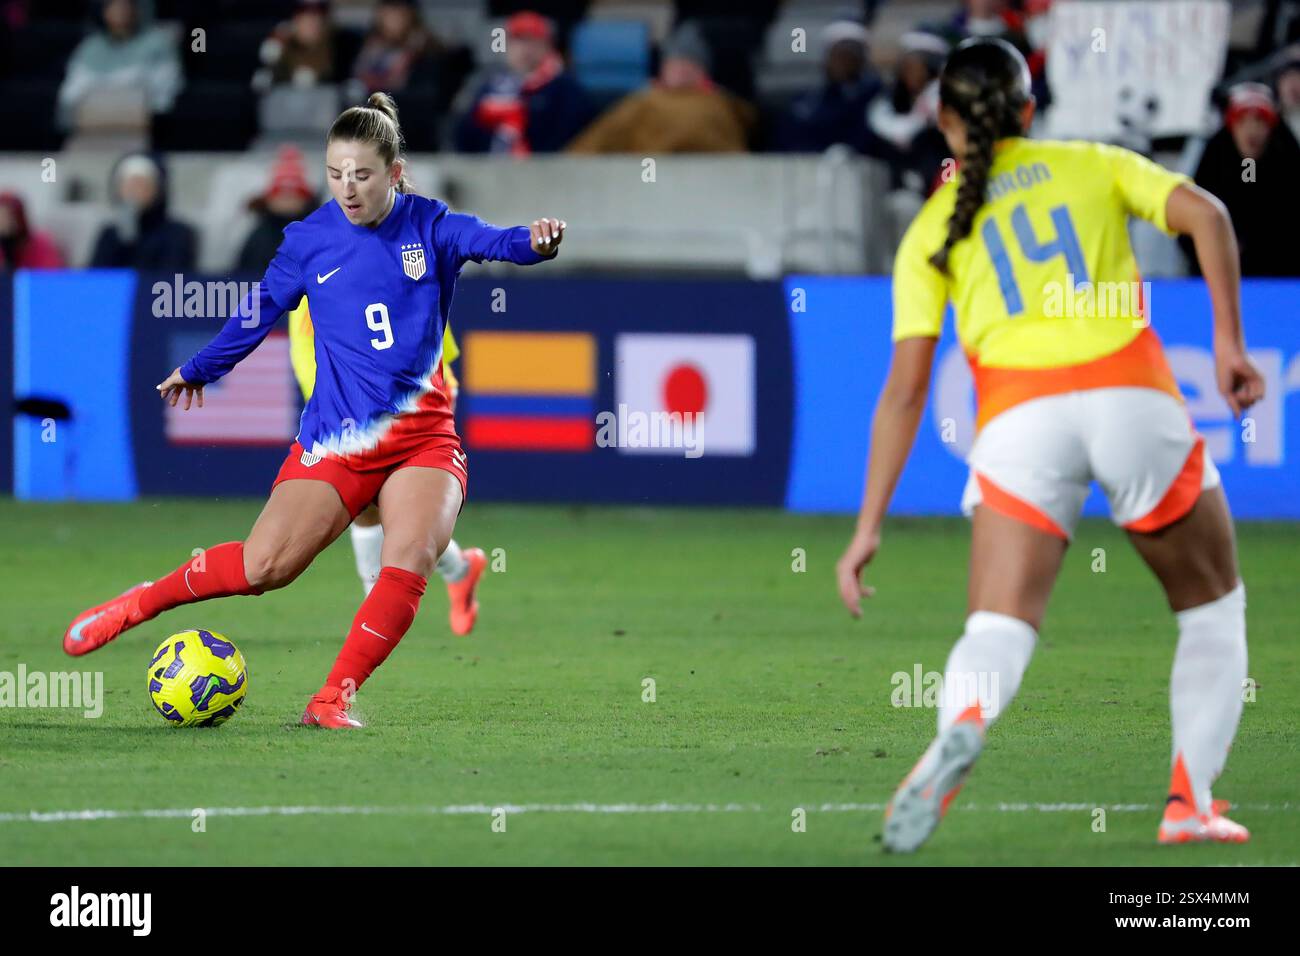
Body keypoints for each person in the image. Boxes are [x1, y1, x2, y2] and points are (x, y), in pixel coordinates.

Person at [835, 39, 1265, 852]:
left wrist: (867, 528)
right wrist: (1229, 346)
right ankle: (1189, 802)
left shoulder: (933, 224)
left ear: (943, 119)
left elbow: (903, 391)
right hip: (1133, 397)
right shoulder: (1091, 162)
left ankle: (959, 724)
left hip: (1020, 419)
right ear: (1030, 109)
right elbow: (1210, 214)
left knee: (999, 627)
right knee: (1212, 610)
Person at [63, 92, 566, 731]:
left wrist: (537, 242)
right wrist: (201, 368)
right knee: (263, 568)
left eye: (361, 175)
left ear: (395, 173)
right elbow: (259, 311)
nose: (347, 189)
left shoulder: (432, 225)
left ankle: (332, 699)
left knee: (406, 558)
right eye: (335, 175)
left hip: (424, 442)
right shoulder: (309, 240)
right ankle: (138, 605)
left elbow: (499, 241)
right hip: (336, 442)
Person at [288, 301, 487, 633]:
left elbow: (434, 339)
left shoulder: (395, 269)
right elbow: (303, 349)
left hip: (410, 400)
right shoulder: (308, 271)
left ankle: (380, 601)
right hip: (345, 411)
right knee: (370, 508)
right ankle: (459, 570)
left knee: (388, 509)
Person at [567, 21, 754, 154]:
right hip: (652, 168)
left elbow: (734, 152)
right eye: (675, 65)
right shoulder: (644, 100)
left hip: (711, 175)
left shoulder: (721, 103)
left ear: (702, 71)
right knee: (647, 171)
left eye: (689, 65)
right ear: (664, 69)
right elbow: (603, 136)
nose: (682, 71)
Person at [1183, 83, 1300, 277]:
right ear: (1231, 126)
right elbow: (1188, 223)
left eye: (1260, 121)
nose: (1251, 129)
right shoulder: (1215, 158)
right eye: (1242, 121)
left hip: (1279, 280)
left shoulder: (1287, 158)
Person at [454, 11, 591, 155]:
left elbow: (572, 137)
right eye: (518, 41)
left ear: (547, 45)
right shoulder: (489, 86)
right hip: (489, 169)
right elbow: (464, 136)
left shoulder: (565, 88)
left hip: (546, 170)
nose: (525, 49)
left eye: (533, 41)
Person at [57, 0, 180, 129]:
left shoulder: (158, 42)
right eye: (114, 7)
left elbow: (164, 96)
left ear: (136, 10)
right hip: (89, 126)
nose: (121, 12)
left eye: (125, 7)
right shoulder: (90, 47)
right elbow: (70, 94)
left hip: (145, 126)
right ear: (104, 12)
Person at [89, 152, 196, 271]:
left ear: (157, 189)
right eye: (128, 185)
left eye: (141, 184)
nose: (133, 192)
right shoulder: (110, 234)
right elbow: (96, 278)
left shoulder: (178, 234)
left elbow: (173, 277)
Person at [0, 192, 66, 269]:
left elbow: (49, 275)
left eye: (6, 216)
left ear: (18, 218)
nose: (2, 221)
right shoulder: (3, 246)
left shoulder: (40, 244)